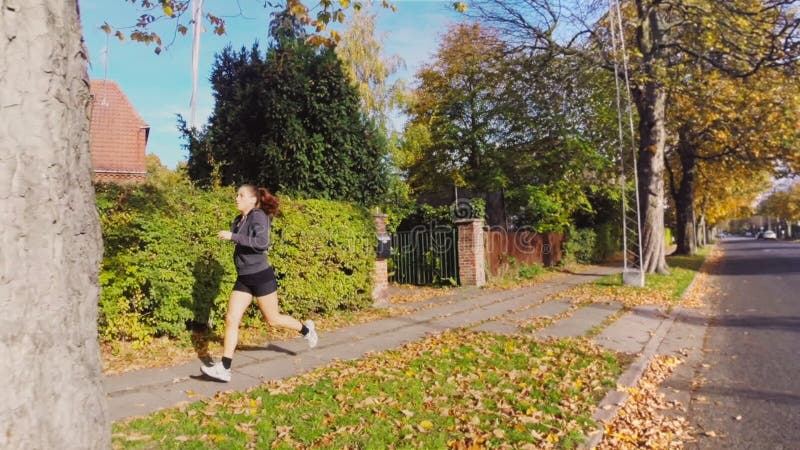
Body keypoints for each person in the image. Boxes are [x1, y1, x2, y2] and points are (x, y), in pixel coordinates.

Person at [201, 184, 318, 382]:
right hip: (244, 278)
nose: (237, 198)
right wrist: (234, 234)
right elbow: (243, 240)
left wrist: (233, 236)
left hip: (261, 276)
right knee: (231, 318)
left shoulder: (258, 216)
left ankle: (306, 330)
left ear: (253, 200)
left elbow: (262, 243)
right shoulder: (239, 219)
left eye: (241, 195)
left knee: (273, 319)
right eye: (237, 195)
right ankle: (225, 368)